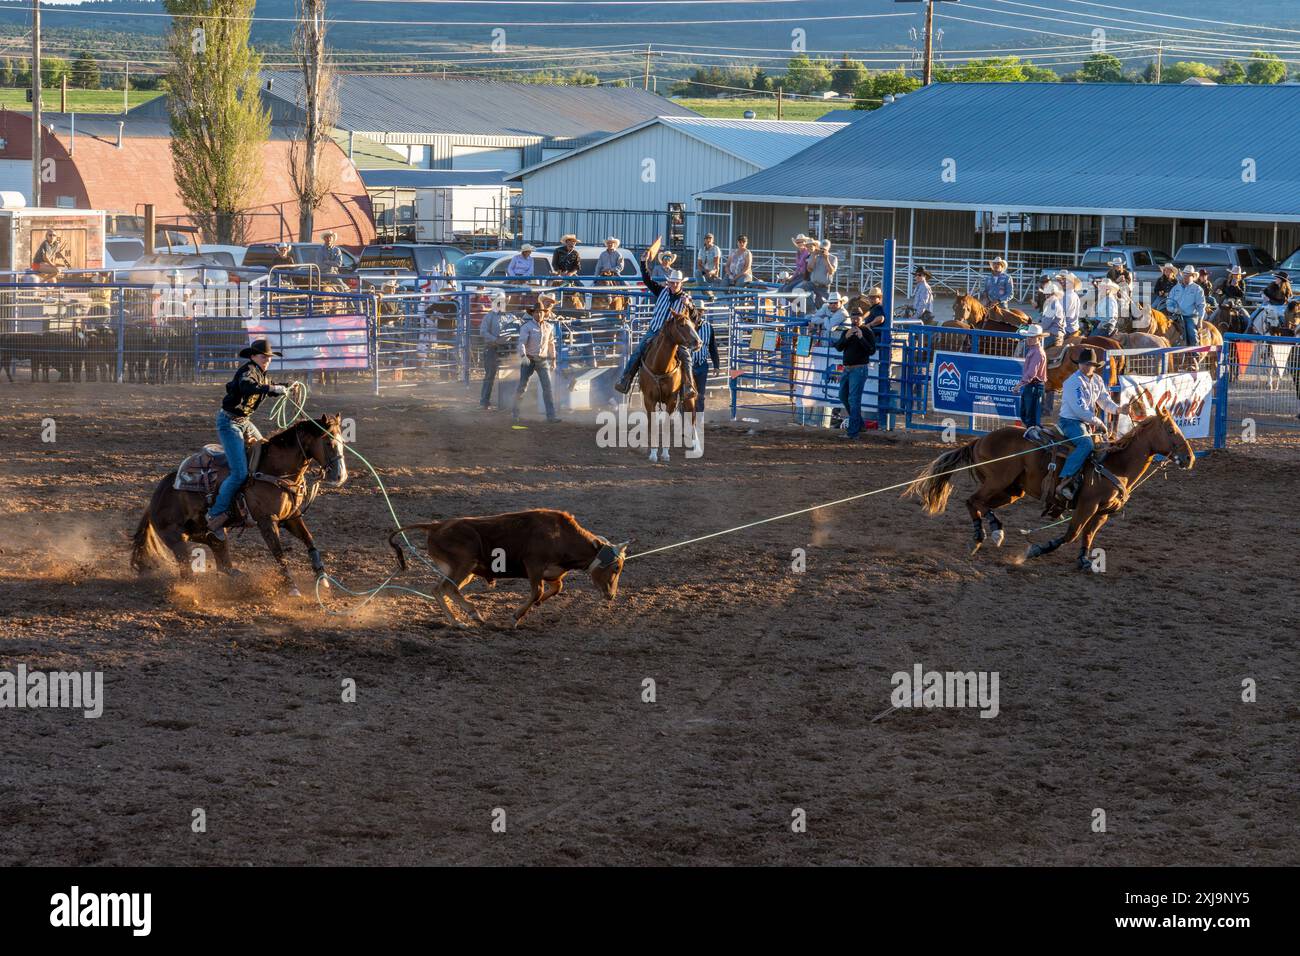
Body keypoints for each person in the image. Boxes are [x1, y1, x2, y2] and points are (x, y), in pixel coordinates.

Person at [206, 339, 289, 539]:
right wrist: (271, 389)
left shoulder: (261, 373)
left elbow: (264, 388)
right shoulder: (248, 371)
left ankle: (254, 501)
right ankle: (215, 515)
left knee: (265, 452)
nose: (267, 360)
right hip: (229, 423)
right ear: (253, 357)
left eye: (269, 357)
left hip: (243, 421)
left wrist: (284, 387)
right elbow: (248, 387)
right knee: (239, 473)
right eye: (263, 357)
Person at [614, 240, 696, 401]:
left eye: (676, 283)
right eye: (672, 282)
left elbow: (694, 317)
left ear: (681, 284)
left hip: (675, 337)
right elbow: (647, 279)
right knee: (638, 351)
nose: (673, 285)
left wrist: (690, 306)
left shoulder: (686, 299)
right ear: (669, 282)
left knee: (686, 357)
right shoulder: (662, 290)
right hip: (655, 331)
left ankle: (689, 386)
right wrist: (643, 262)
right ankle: (625, 380)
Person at [1054, 346, 1119, 506]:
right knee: (1086, 444)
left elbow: (1104, 400)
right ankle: (1066, 479)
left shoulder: (1097, 380)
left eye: (1089, 364)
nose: (1085, 366)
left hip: (1086, 422)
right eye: (1083, 363)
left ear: (1094, 366)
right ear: (1079, 364)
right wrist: (1099, 422)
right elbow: (1080, 410)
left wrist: (1118, 409)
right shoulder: (1072, 382)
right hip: (1070, 422)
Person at [800, 292, 848, 426]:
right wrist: (824, 319)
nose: (832, 305)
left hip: (838, 350)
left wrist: (824, 319)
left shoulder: (842, 313)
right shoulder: (829, 310)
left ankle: (835, 413)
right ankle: (832, 413)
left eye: (835, 303)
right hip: (830, 348)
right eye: (831, 303)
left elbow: (828, 325)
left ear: (840, 303)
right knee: (831, 380)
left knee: (836, 381)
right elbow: (815, 318)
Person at [511, 293, 561, 424]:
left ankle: (551, 416)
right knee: (522, 387)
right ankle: (515, 413)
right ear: (533, 313)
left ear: (544, 313)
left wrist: (553, 359)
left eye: (541, 312)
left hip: (542, 360)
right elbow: (521, 343)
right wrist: (523, 355)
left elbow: (551, 344)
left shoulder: (548, 327)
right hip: (529, 359)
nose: (539, 314)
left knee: (547, 388)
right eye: (536, 312)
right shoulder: (527, 327)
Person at [832, 309, 877, 438]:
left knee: (853, 399)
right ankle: (859, 425)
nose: (855, 320)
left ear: (862, 318)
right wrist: (846, 337)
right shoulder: (847, 332)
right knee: (843, 396)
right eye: (853, 318)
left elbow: (871, 350)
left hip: (859, 369)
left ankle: (853, 432)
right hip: (847, 369)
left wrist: (861, 337)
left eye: (857, 318)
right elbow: (838, 347)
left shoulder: (867, 332)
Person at [477, 294, 512, 410]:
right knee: (490, 375)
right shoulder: (489, 316)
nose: (501, 304)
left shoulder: (510, 316)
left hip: (506, 348)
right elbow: (483, 331)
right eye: (499, 302)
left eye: (503, 302)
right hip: (492, 348)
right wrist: (495, 339)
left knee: (508, 375)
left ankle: (507, 402)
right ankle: (484, 401)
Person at [1011, 323, 1047, 428]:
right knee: (1028, 416)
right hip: (1033, 386)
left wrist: (1019, 385)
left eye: (1032, 337)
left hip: (1034, 386)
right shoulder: (1034, 350)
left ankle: (1033, 435)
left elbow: (1031, 373)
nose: (1029, 339)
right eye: (1028, 337)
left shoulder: (1037, 352)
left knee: (1030, 418)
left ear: (1038, 338)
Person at [688, 305, 721, 413]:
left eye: (701, 311)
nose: (699, 313)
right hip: (687, 365)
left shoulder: (708, 327)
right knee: (687, 394)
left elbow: (712, 347)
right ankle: (686, 417)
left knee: (700, 395)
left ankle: (699, 418)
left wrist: (716, 365)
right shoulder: (686, 325)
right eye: (697, 310)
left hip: (702, 365)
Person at [1166, 265, 1206, 347]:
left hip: (1190, 316)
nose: (1185, 277)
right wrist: (1174, 310)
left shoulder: (1197, 289)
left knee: (1192, 334)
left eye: (1188, 275)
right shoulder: (1175, 288)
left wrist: (1200, 321)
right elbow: (1169, 302)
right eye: (1184, 275)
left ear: (1193, 276)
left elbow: (1201, 306)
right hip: (1175, 316)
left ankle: (1195, 352)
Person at [804, 239, 838, 308]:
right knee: (803, 292)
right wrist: (814, 256)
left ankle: (815, 311)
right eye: (821, 248)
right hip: (812, 284)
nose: (822, 251)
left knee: (822, 306)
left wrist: (826, 259)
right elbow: (809, 269)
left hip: (823, 287)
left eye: (824, 249)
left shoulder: (833, 258)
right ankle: (811, 310)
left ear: (828, 249)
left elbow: (831, 272)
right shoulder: (814, 255)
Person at [1039, 281, 1067, 347]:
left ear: (1054, 294)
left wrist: (1036, 326)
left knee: (1030, 346)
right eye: (1046, 294)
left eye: (1048, 294)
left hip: (1052, 335)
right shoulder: (1054, 303)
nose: (1046, 296)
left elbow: (1045, 325)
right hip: (1056, 333)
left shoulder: (1052, 306)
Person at [1059, 271, 1082, 341]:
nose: (1063, 282)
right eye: (1063, 280)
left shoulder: (1067, 296)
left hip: (1066, 329)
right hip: (1073, 327)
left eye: (1066, 281)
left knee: (1042, 340)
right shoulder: (1075, 295)